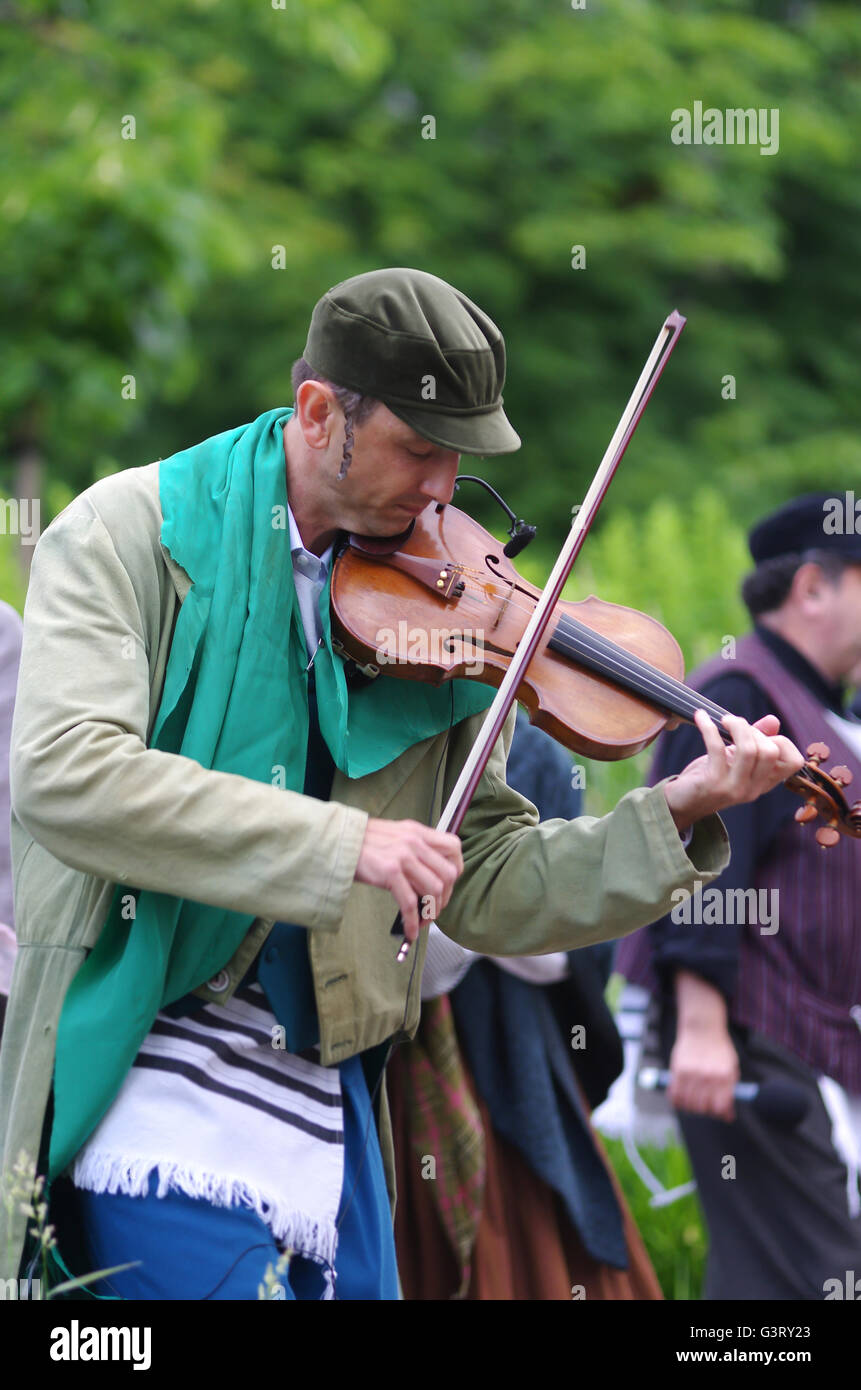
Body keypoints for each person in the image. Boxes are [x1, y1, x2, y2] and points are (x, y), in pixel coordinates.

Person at [0, 267, 801, 1300]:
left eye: (458, 459)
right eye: (418, 449)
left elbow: (487, 872)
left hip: (327, 1082)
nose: (439, 491)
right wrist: (344, 847)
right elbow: (70, 776)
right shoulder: (126, 534)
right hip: (143, 1044)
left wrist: (676, 812)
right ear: (319, 411)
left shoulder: (453, 604)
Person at [617, 492, 861, 1300]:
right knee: (811, 1282)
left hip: (808, 1037)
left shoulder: (832, 714)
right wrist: (700, 1031)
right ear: (813, 589)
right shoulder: (735, 698)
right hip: (753, 1037)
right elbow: (693, 869)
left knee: (771, 1287)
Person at [390, 707, 663, 1299]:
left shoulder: (534, 753)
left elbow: (574, 953)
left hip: (509, 1056)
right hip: (387, 1048)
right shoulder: (377, 725)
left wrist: (482, 911)